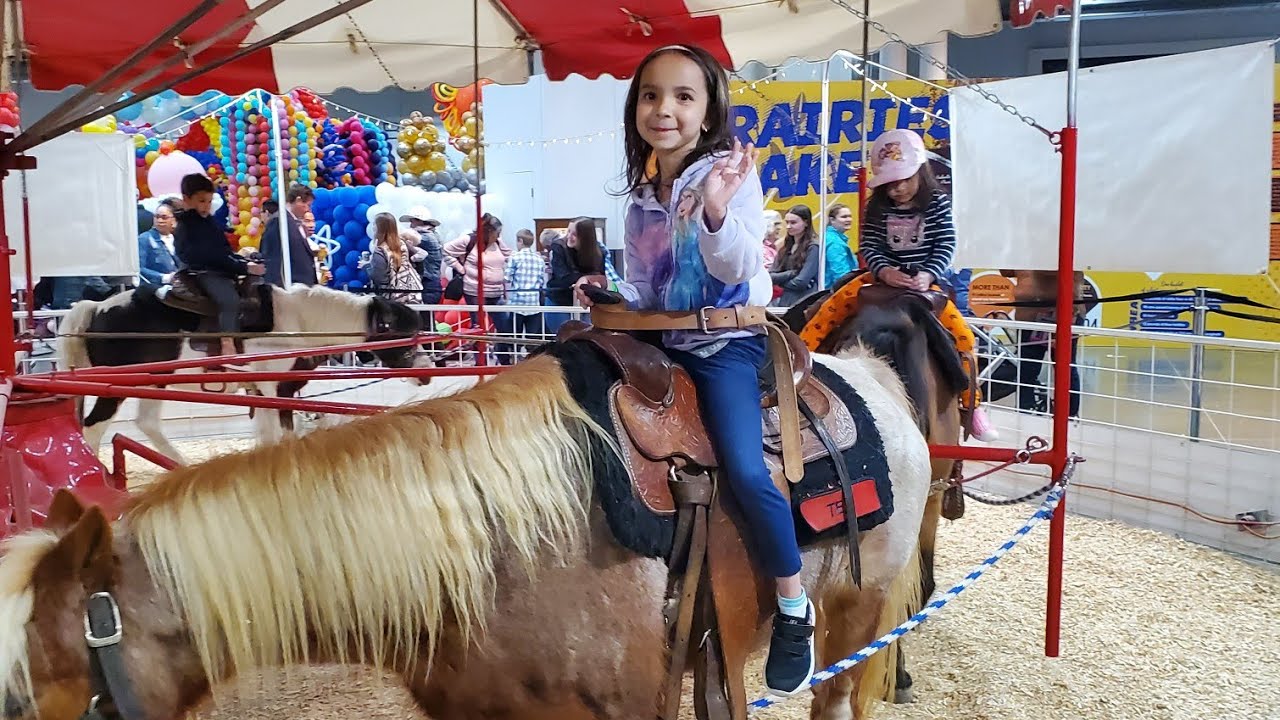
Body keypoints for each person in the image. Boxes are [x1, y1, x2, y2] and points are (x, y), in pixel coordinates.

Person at [573, 44, 814, 697]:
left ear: (708, 112)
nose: (665, 108)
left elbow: (737, 267)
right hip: (663, 341)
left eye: (683, 96)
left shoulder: (727, 174)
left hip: (723, 345)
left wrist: (713, 209)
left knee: (741, 465)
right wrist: (608, 286)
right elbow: (652, 291)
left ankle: (794, 606)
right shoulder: (641, 193)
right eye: (652, 95)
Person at [799, 129, 999, 441]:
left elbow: (946, 243)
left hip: (922, 283)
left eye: (904, 179)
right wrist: (884, 270)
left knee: (963, 337)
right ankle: (799, 374)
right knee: (825, 313)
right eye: (890, 183)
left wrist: (929, 274)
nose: (898, 188)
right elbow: (871, 245)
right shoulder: (876, 206)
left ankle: (971, 403)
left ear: (920, 172)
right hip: (881, 278)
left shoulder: (936, 203)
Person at [173, 173, 265, 363]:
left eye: (208, 201)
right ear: (186, 199)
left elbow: (222, 251)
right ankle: (228, 343)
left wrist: (241, 261)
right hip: (204, 271)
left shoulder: (206, 222)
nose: (206, 205)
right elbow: (210, 255)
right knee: (229, 299)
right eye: (201, 201)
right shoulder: (189, 224)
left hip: (216, 267)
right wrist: (243, 267)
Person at [443, 213, 514, 363]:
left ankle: (504, 361)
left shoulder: (499, 242)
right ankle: (480, 362)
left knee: (504, 326)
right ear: (489, 231)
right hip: (475, 292)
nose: (499, 235)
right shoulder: (469, 240)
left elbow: (510, 256)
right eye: (497, 232)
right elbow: (446, 250)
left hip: (496, 292)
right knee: (479, 329)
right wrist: (459, 268)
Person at [261, 184, 317, 287]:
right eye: (308, 205)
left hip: (301, 286)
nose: (308, 210)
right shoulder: (279, 221)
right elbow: (272, 257)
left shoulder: (293, 222)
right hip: (289, 285)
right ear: (298, 200)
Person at [768, 205, 820, 307]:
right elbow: (769, 277)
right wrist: (790, 274)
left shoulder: (813, 247)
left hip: (804, 304)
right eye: (787, 222)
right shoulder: (785, 247)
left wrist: (779, 283)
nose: (788, 226)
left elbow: (801, 282)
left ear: (806, 223)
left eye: (793, 223)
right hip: (785, 302)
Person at [369, 213, 424, 303]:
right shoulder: (404, 244)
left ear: (380, 227)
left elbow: (380, 278)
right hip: (412, 295)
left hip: (391, 300)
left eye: (374, 224)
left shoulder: (380, 250)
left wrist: (367, 267)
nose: (373, 227)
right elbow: (421, 258)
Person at [505, 228, 546, 346]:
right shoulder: (539, 259)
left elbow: (507, 278)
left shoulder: (515, 257)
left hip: (517, 304)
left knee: (514, 339)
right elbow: (541, 281)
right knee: (532, 341)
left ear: (520, 241)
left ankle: (515, 360)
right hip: (534, 304)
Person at [400, 206, 444, 304]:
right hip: (431, 281)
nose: (411, 226)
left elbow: (402, 239)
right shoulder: (433, 235)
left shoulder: (425, 237)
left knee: (424, 315)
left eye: (412, 222)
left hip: (427, 282)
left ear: (419, 221)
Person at [138, 199, 179, 287]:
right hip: (155, 287)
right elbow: (140, 268)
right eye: (157, 217)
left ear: (173, 219)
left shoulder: (176, 238)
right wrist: (164, 277)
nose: (160, 220)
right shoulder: (144, 238)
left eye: (164, 217)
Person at [822, 203, 858, 287]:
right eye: (844, 217)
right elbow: (840, 273)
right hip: (834, 290)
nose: (849, 219)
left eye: (850, 216)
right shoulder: (835, 242)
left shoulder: (830, 237)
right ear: (832, 220)